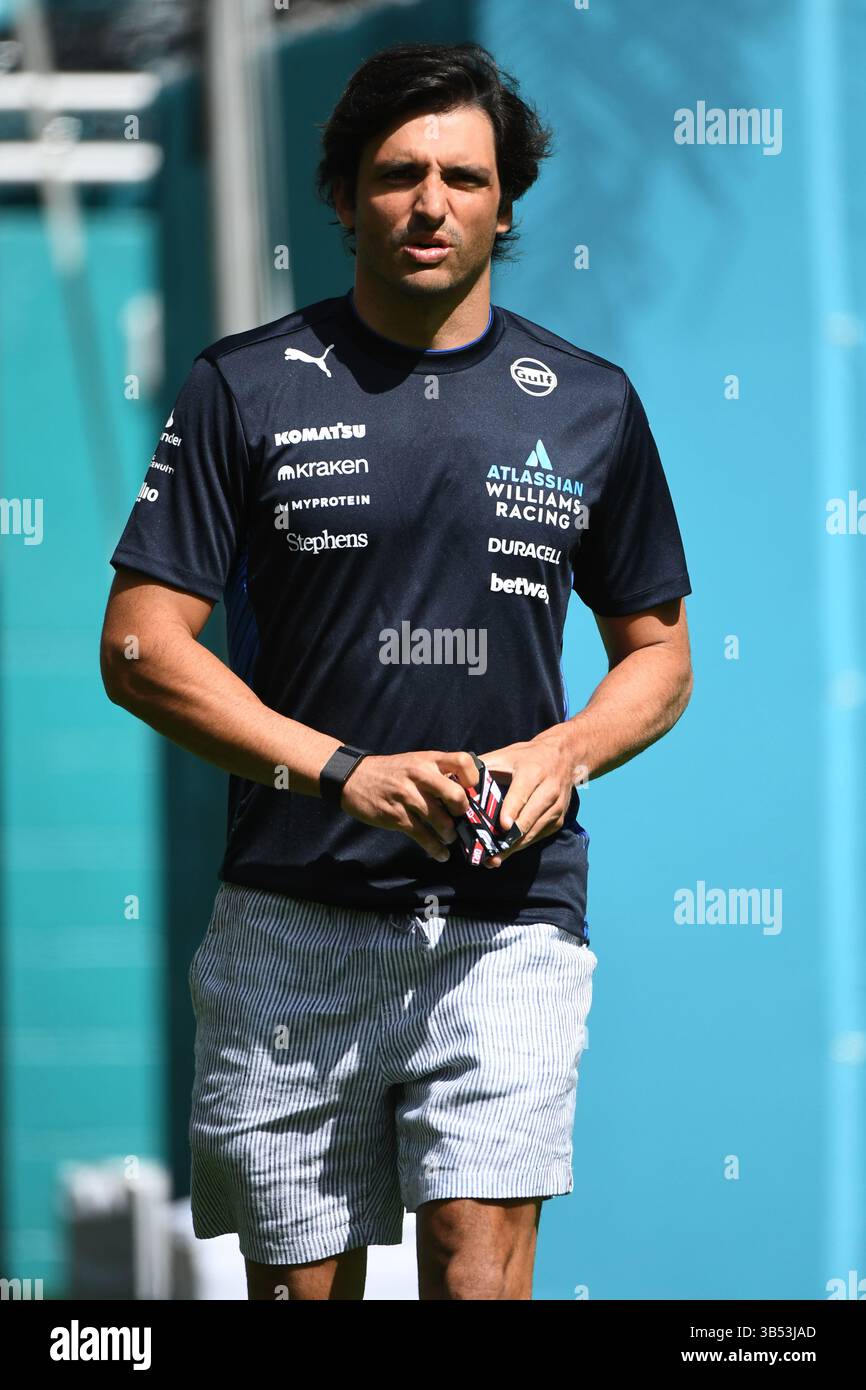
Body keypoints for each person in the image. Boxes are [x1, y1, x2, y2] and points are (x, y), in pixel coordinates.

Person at [100, 40, 693, 1301]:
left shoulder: (588, 402)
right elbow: (144, 646)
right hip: (288, 922)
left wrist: (563, 753)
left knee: (477, 1271)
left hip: (505, 922)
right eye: (397, 174)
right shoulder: (241, 387)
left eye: (463, 178)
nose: (431, 203)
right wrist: (341, 773)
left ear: (506, 201)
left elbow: (656, 654)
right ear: (342, 194)